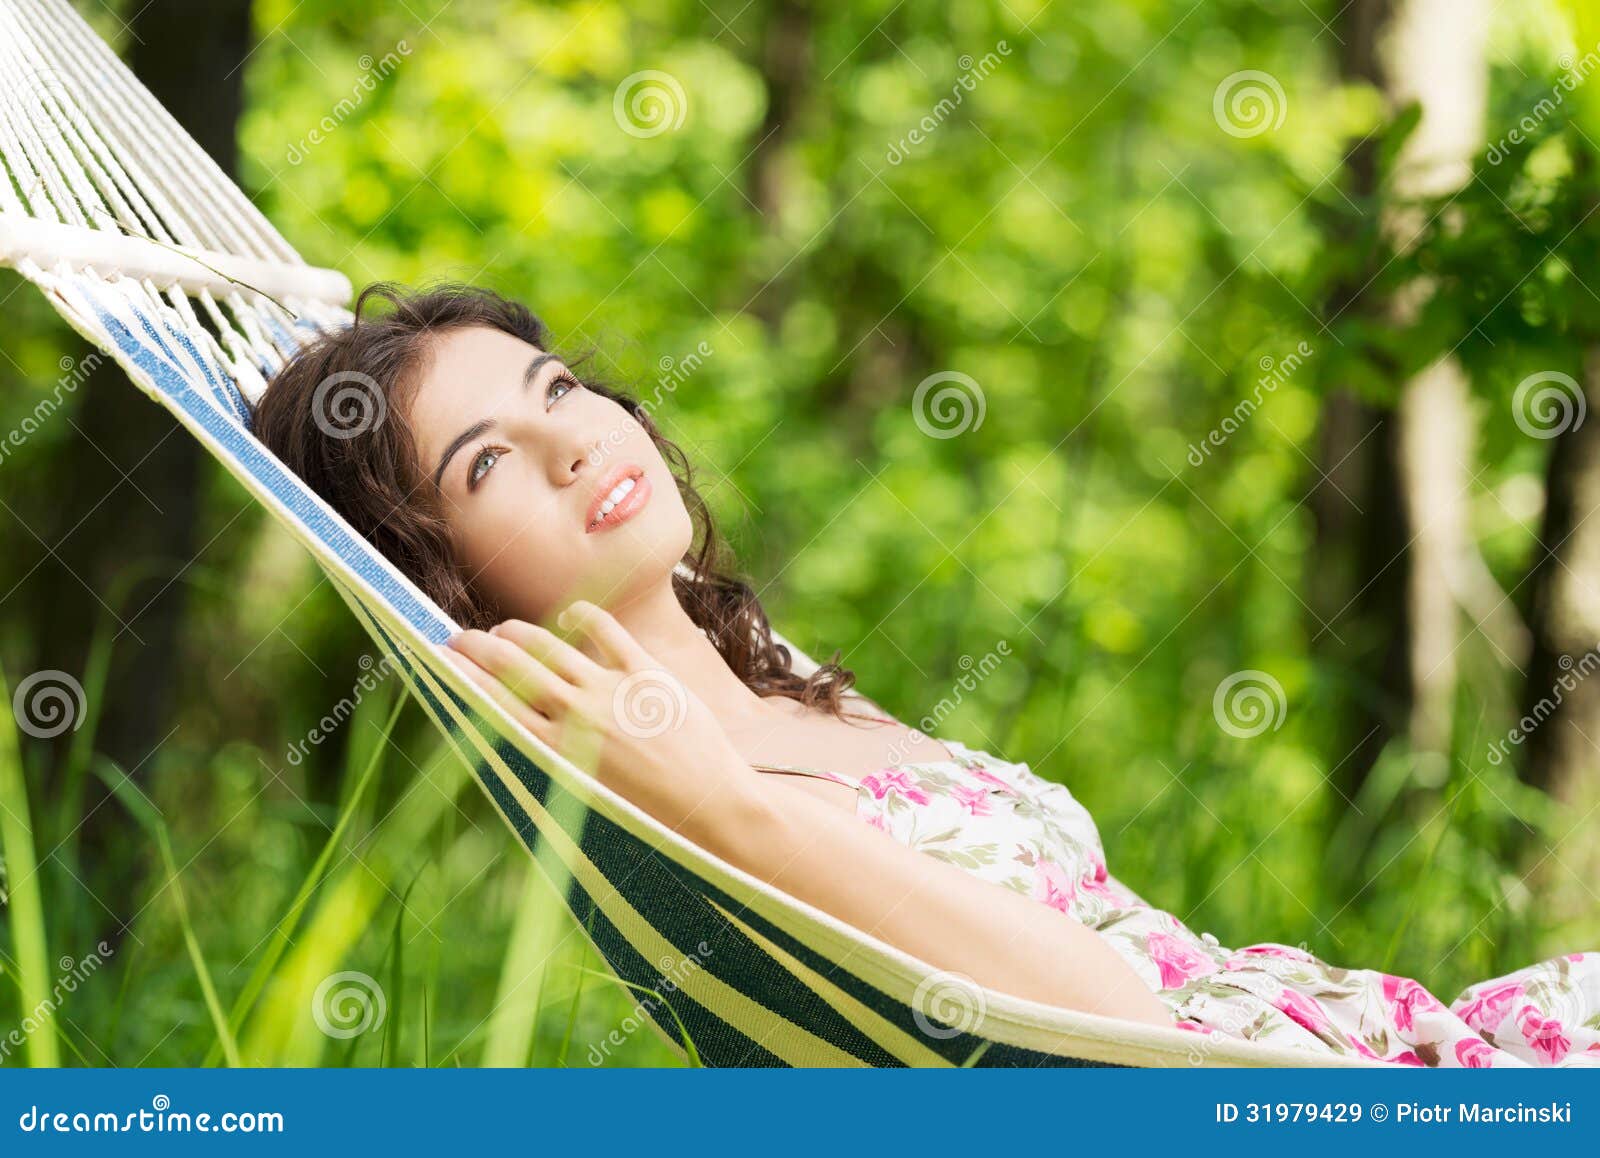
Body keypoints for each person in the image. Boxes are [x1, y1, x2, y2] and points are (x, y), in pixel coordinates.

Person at [252, 282, 1599, 1067]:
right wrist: (732, 811)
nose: (570, 442)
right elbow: (1119, 1038)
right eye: (485, 462)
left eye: (559, 387)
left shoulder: (759, 674)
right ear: (439, 578)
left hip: (1390, 1038)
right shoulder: (683, 794)